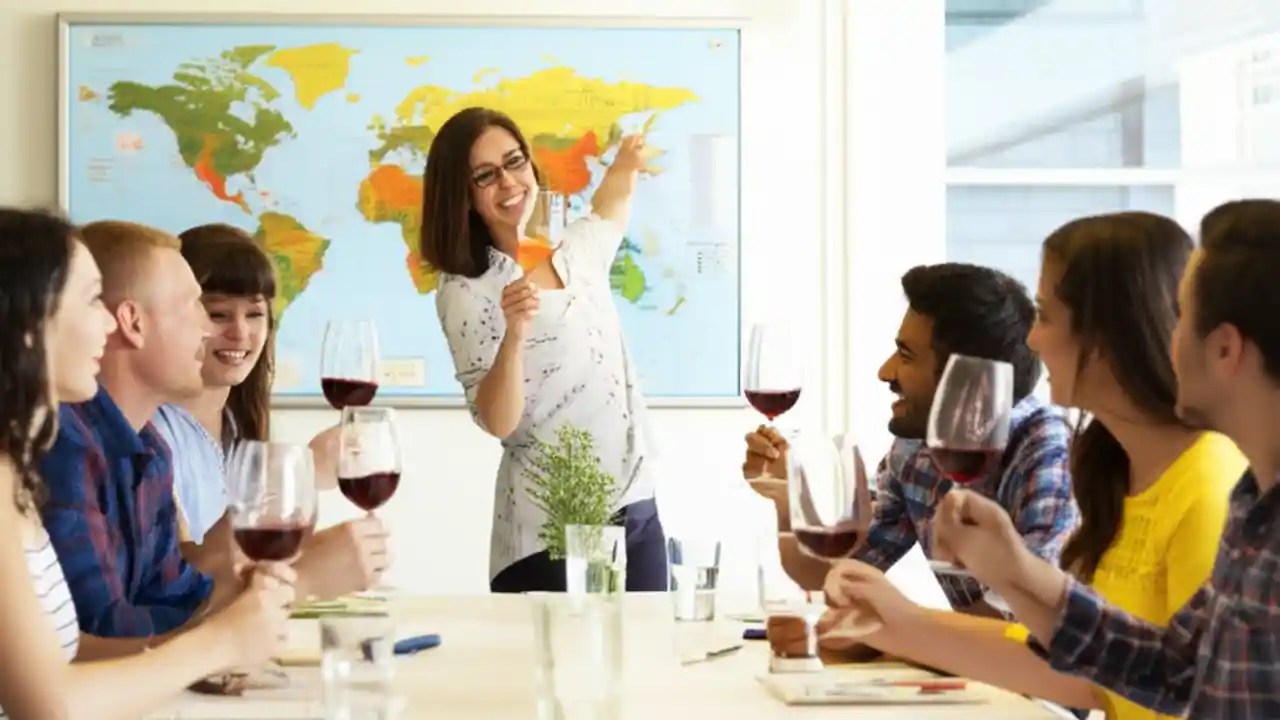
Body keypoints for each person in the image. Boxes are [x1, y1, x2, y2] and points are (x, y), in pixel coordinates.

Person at [819, 212, 1245, 720]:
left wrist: (908, 622)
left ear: (1106, 335)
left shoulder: (1211, 488)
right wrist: (894, 625)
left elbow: (1193, 695)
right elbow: (1086, 672)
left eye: (1044, 315)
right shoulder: (1118, 471)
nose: (1031, 342)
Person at [920, 199, 1280, 717]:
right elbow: (1175, 667)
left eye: (1182, 316)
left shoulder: (1218, 489)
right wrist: (1013, 570)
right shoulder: (1252, 509)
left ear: (1225, 349)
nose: (1168, 334)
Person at [0, 208, 294, 719]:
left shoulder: (12, 473)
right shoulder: (33, 466)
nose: (109, 320)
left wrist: (226, 625)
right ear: (30, 325)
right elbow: (50, 705)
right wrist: (218, 643)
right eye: (92, 299)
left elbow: (67, 655)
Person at [422, 106, 666, 592]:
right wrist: (514, 333)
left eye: (514, 162)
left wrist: (626, 161)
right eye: (485, 175)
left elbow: (612, 201)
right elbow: (498, 421)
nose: (508, 182)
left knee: (650, 642)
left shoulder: (577, 249)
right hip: (548, 530)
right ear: (462, 195)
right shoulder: (467, 291)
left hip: (634, 504)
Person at [744, 263, 1078, 613]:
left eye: (906, 355)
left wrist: (894, 624)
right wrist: (788, 498)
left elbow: (1028, 620)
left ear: (964, 380)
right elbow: (829, 577)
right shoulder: (915, 450)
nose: (884, 372)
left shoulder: (1048, 451)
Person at [151, 223, 389, 598]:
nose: (240, 333)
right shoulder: (153, 433)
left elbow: (248, 567)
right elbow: (174, 584)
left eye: (255, 314)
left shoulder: (237, 422)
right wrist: (298, 477)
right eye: (218, 314)